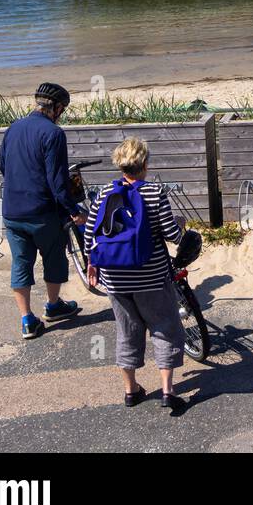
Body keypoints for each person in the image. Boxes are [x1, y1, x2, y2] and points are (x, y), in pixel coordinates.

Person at [85, 138, 187, 410]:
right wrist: (182, 226)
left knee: (127, 331)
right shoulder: (154, 193)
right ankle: (167, 391)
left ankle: (131, 391)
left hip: (115, 278)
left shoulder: (105, 192)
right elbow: (172, 234)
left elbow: (90, 235)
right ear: (144, 163)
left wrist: (91, 263)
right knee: (165, 327)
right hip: (151, 276)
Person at [0, 82, 83, 339]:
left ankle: (27, 320)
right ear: (57, 107)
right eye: (63, 109)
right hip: (42, 212)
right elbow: (58, 182)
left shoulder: (13, 128)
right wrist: (73, 210)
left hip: (12, 211)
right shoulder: (53, 134)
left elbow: (2, 165)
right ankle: (54, 306)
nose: (62, 114)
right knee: (54, 257)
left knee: (21, 262)